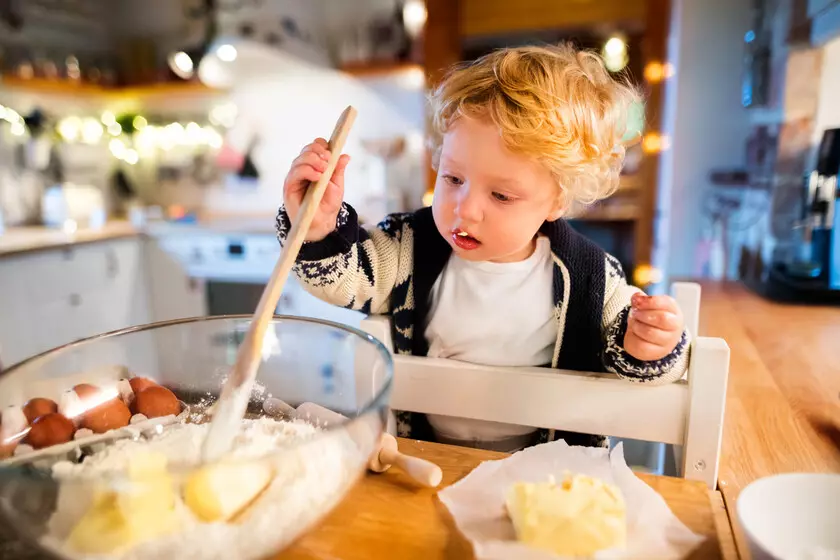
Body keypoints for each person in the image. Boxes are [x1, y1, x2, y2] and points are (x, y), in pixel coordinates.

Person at [275, 43, 689, 452]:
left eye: (502, 196)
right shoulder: (407, 248)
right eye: (453, 179)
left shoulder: (592, 276)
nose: (466, 210)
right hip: (428, 458)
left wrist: (649, 345)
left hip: (545, 474)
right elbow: (341, 278)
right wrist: (315, 226)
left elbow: (642, 365)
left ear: (558, 201)